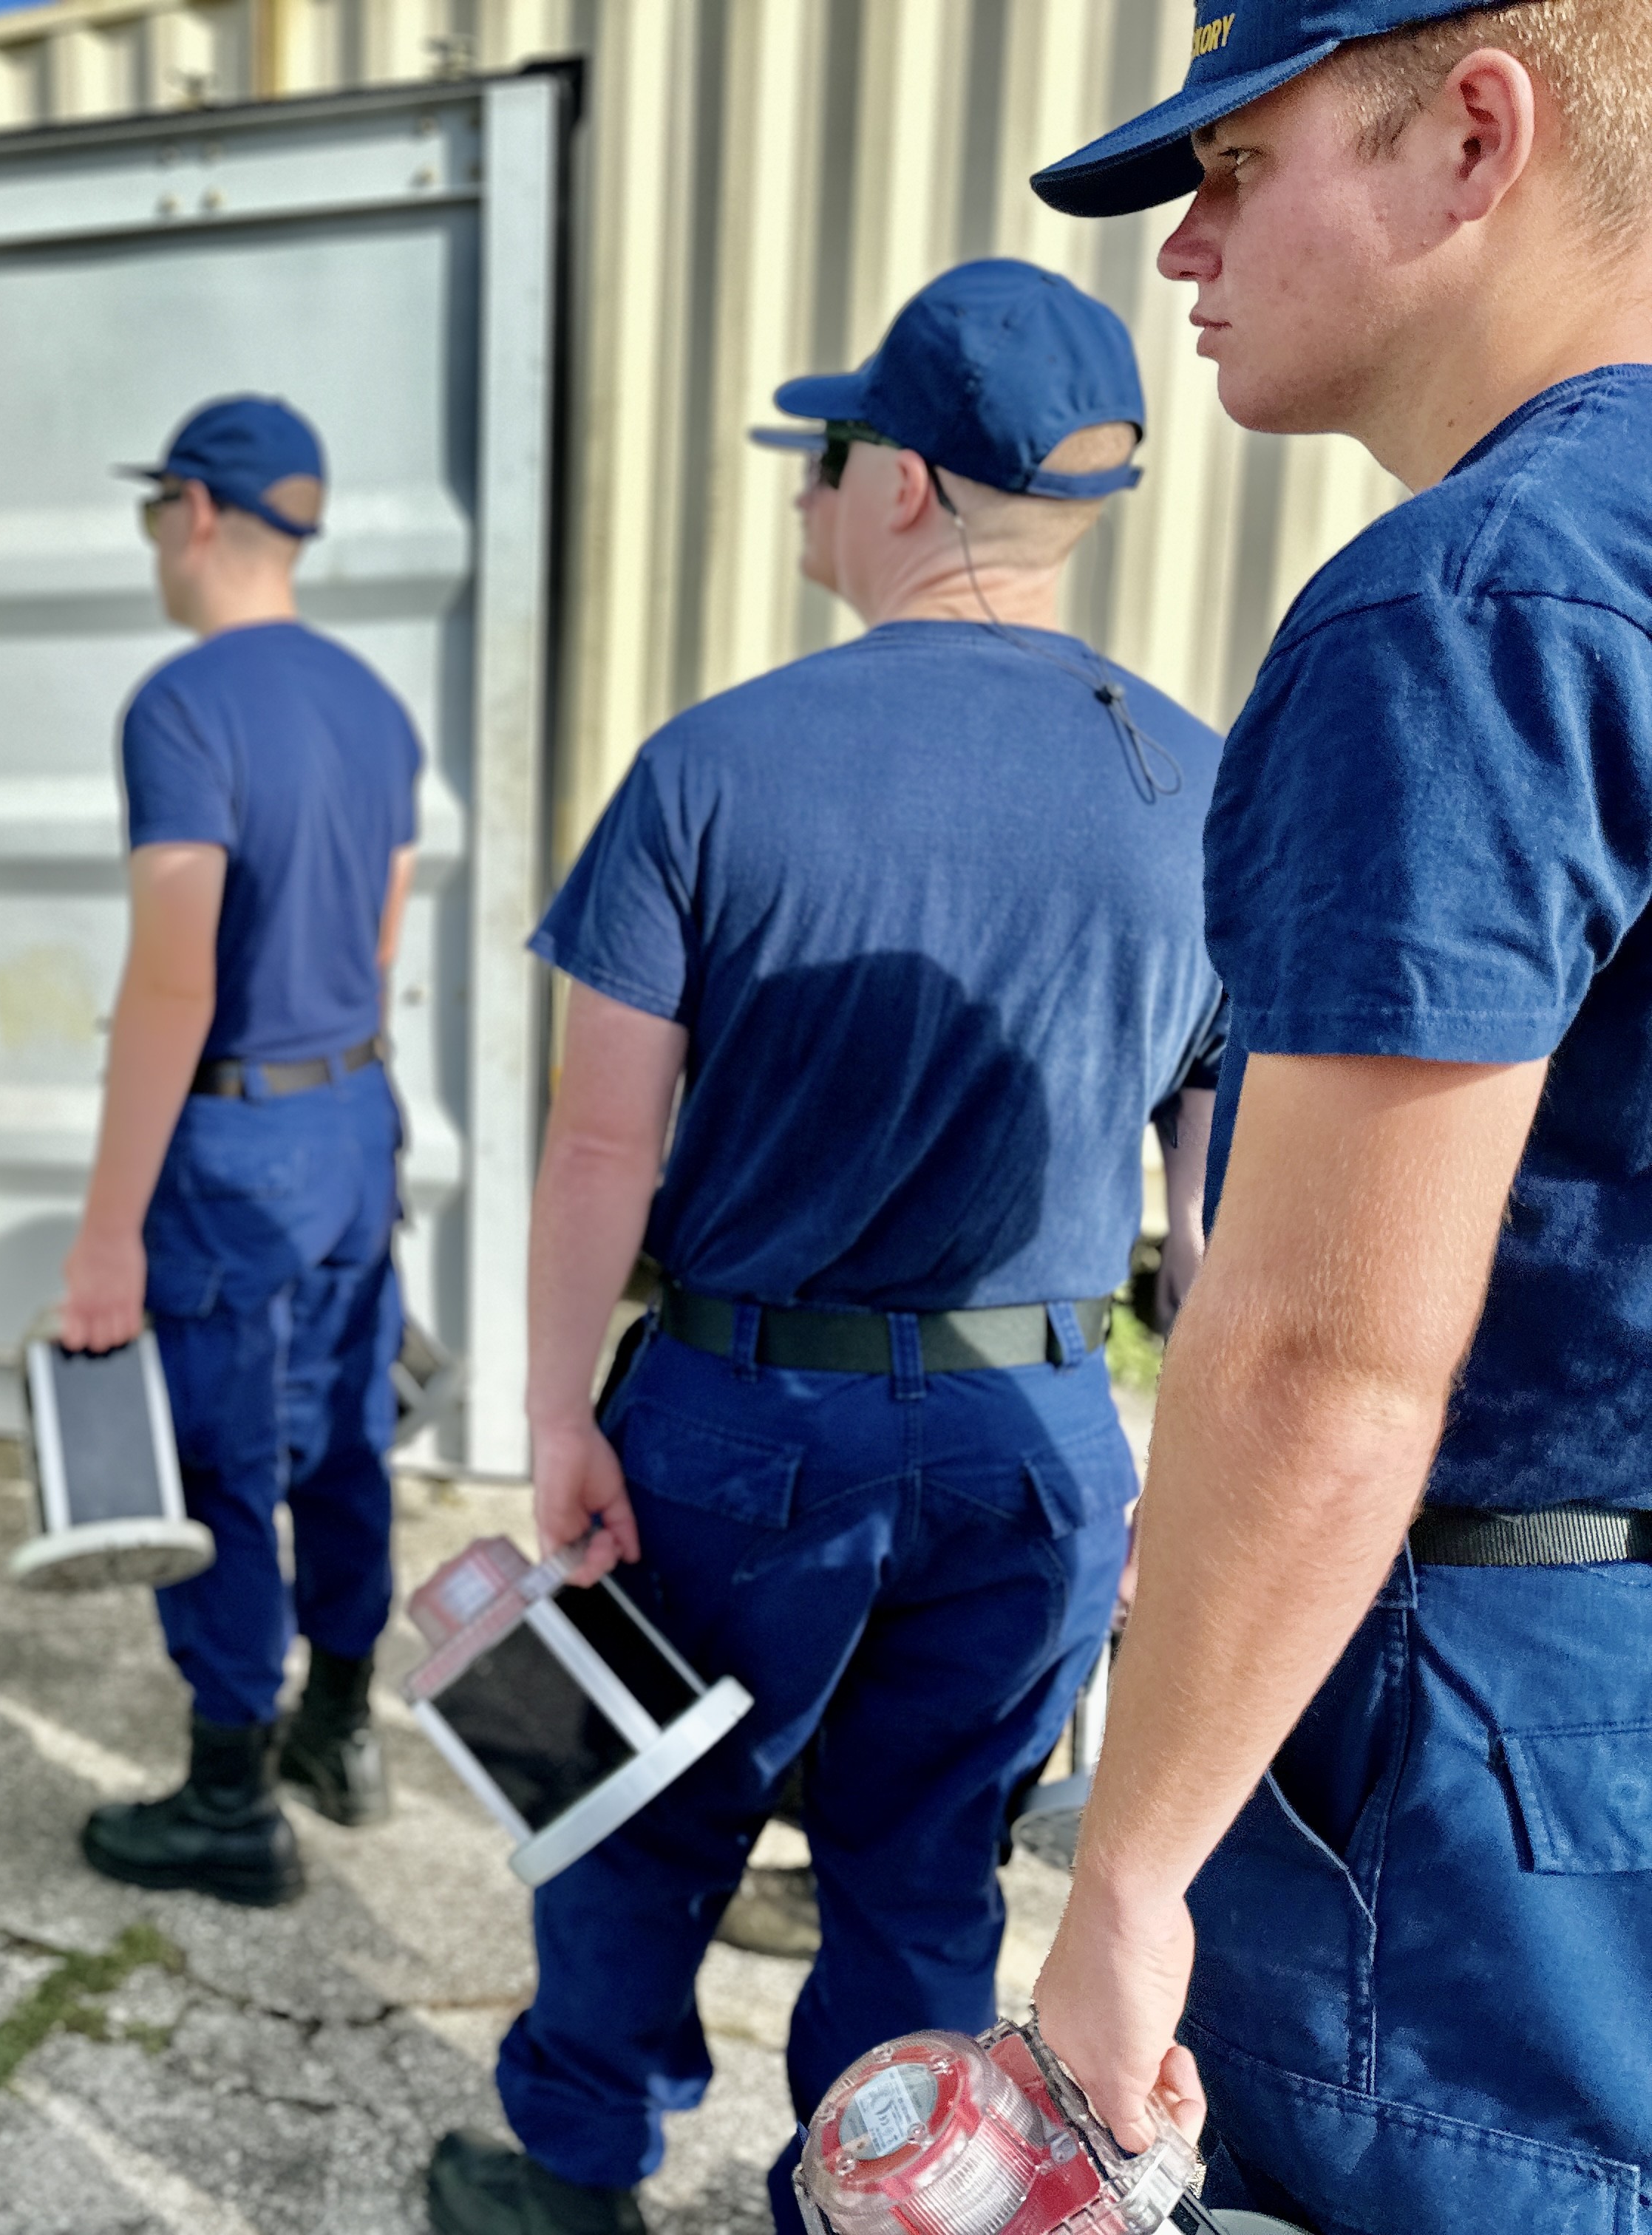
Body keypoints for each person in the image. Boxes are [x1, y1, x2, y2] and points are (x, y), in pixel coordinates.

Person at [424, 262, 1225, 2235]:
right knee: (925, 1864)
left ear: (903, 484)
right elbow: (1218, 1219)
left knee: (632, 1810)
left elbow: (601, 1141)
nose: (806, 489)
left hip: (743, 1418)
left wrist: (555, 1416)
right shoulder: (1202, 789)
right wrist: (1186, 1489)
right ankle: (873, 2214)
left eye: (826, 452)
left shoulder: (715, 764)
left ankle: (574, 2175)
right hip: (1037, 1438)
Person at [1024, 9, 1652, 2228]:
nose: (1182, 250)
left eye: (1237, 168)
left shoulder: (1473, 606)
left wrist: (1130, 1881)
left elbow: (1323, 1356)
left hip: (1492, 1785)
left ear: (1475, 133)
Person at [59, 395, 423, 1909]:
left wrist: (105, 1234)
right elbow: (383, 938)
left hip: (236, 1146)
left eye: (158, 510)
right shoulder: (374, 704)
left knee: (219, 1463)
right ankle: (340, 1730)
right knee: (341, 1437)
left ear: (199, 514)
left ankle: (228, 1802)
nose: (155, 538)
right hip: (352, 1115)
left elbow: (173, 979)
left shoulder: (182, 706)